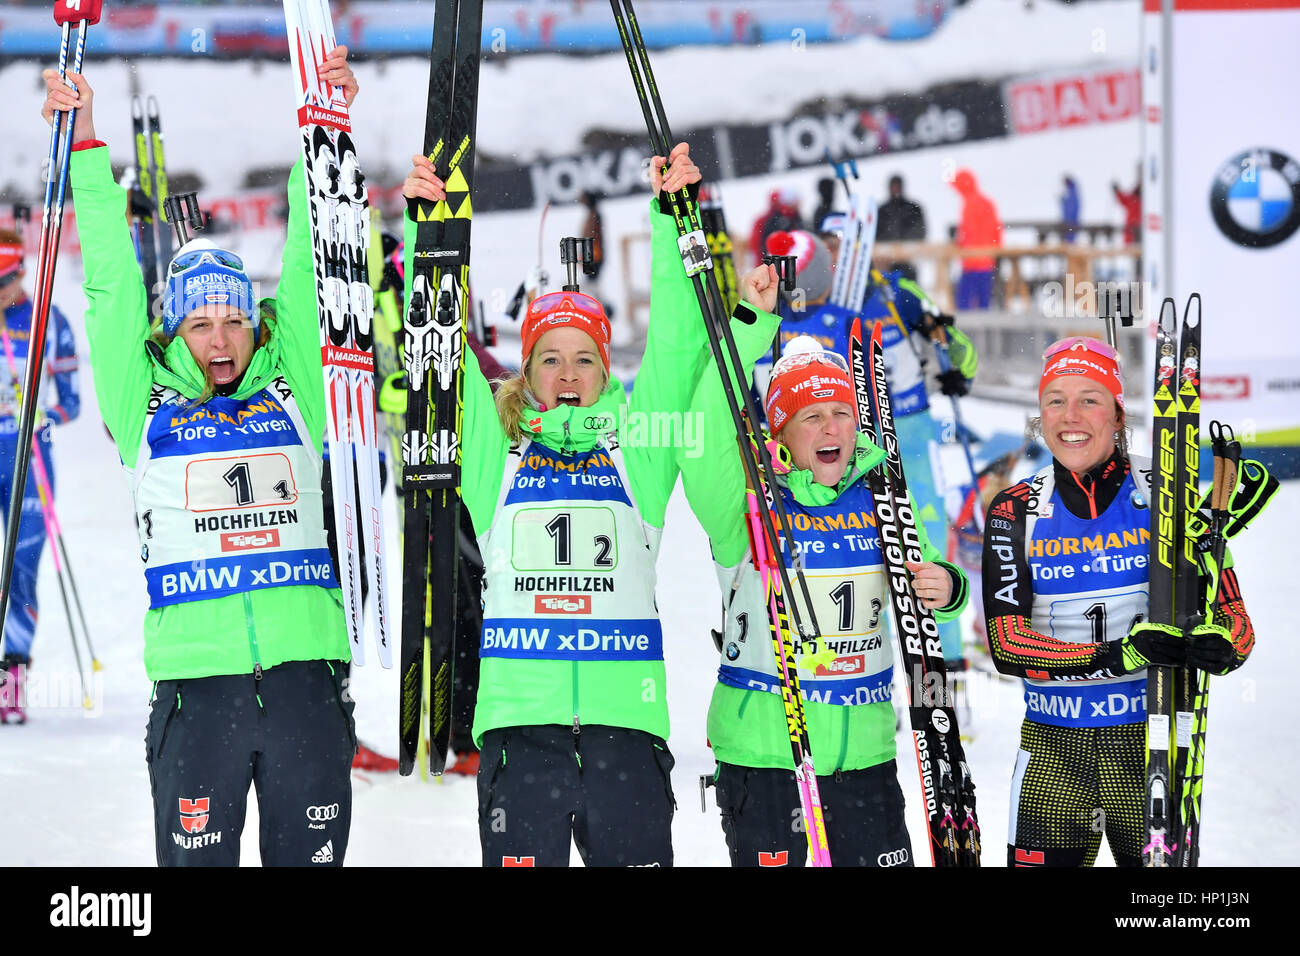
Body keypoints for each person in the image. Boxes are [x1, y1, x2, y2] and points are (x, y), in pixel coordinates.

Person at [47, 50, 360, 866]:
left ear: (254, 324)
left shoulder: (298, 387)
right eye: (200, 324)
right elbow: (111, 284)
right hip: (197, 694)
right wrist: (83, 143)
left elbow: (308, 261)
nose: (220, 338)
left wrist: (322, 127)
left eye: (233, 319)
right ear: (176, 332)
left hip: (305, 685)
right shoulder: (141, 403)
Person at [402, 141, 709, 867]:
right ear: (527, 370)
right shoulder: (495, 457)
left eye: (584, 359)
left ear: (607, 373)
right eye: (549, 357)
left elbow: (673, 343)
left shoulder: (641, 450)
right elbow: (441, 349)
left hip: (627, 737)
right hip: (521, 741)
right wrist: (434, 233)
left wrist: (674, 216)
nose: (567, 373)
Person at [679, 313, 970, 866]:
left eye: (841, 413)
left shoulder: (885, 504)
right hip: (765, 754)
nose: (831, 427)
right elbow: (701, 441)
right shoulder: (745, 506)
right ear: (781, 433)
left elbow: (935, 576)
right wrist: (750, 326)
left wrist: (946, 585)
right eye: (811, 417)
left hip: (865, 753)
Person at [982, 337, 1258, 867]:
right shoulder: (1014, 510)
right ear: (1040, 414)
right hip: (1052, 750)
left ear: (1117, 413)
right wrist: (1116, 655)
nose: (1071, 416)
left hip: (1148, 740)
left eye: (1090, 398)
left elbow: (1234, 617)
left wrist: (1223, 646)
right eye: (1055, 400)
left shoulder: (1168, 498)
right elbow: (1008, 644)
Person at [763, 230, 978, 669]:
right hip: (858, 446)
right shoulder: (847, 312)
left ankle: (946, 662)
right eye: (832, 243)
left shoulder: (889, 293)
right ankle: (853, 659)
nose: (842, 253)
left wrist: (954, 363)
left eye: (845, 242)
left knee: (923, 548)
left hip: (896, 434)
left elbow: (958, 350)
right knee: (881, 552)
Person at [0, 230, 81, 723]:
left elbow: (71, 402)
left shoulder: (48, 321)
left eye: (4, 280)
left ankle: (12, 675)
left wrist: (40, 413)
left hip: (29, 457)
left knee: (21, 568)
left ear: (21, 273)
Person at [950, 169, 1002, 310]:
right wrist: (995, 251)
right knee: (983, 302)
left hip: (971, 262)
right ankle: (983, 329)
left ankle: (966, 331)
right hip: (986, 260)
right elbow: (997, 230)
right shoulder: (986, 202)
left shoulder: (969, 204)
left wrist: (960, 247)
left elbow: (968, 233)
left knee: (965, 304)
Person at [749, 188, 804, 266]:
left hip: (772, 264)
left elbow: (756, 246)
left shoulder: (768, 219)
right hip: (779, 264)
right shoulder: (782, 219)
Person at [1113, 167, 1141, 246]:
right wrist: (1117, 191)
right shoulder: (1134, 196)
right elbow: (1124, 199)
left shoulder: (1146, 197)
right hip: (1132, 233)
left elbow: (1124, 199)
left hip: (1140, 233)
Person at [1060, 175, 1080, 244]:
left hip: (1071, 219)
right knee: (1068, 231)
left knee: (1070, 231)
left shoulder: (1072, 191)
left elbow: (1072, 206)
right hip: (1068, 219)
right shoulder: (1070, 191)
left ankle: (1070, 243)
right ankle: (1069, 242)